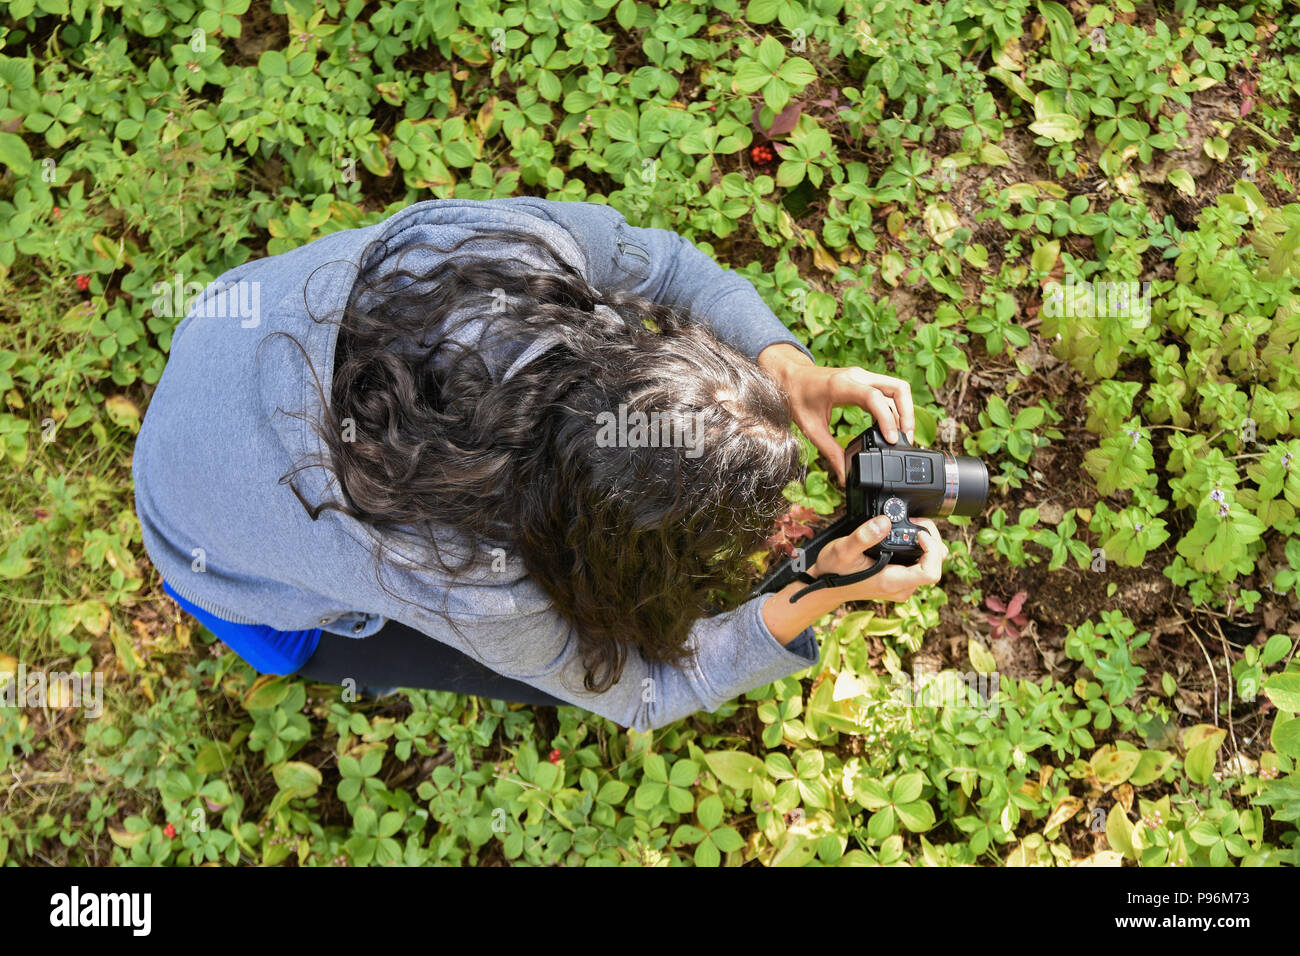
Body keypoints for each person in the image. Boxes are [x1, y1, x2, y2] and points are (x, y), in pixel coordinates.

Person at [132, 196, 948, 732]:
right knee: (547, 669)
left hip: (224, 340)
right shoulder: (476, 580)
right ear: (607, 544)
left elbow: (661, 265)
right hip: (214, 562)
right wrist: (814, 592)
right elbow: (645, 690)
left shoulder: (514, 256)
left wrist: (784, 366)